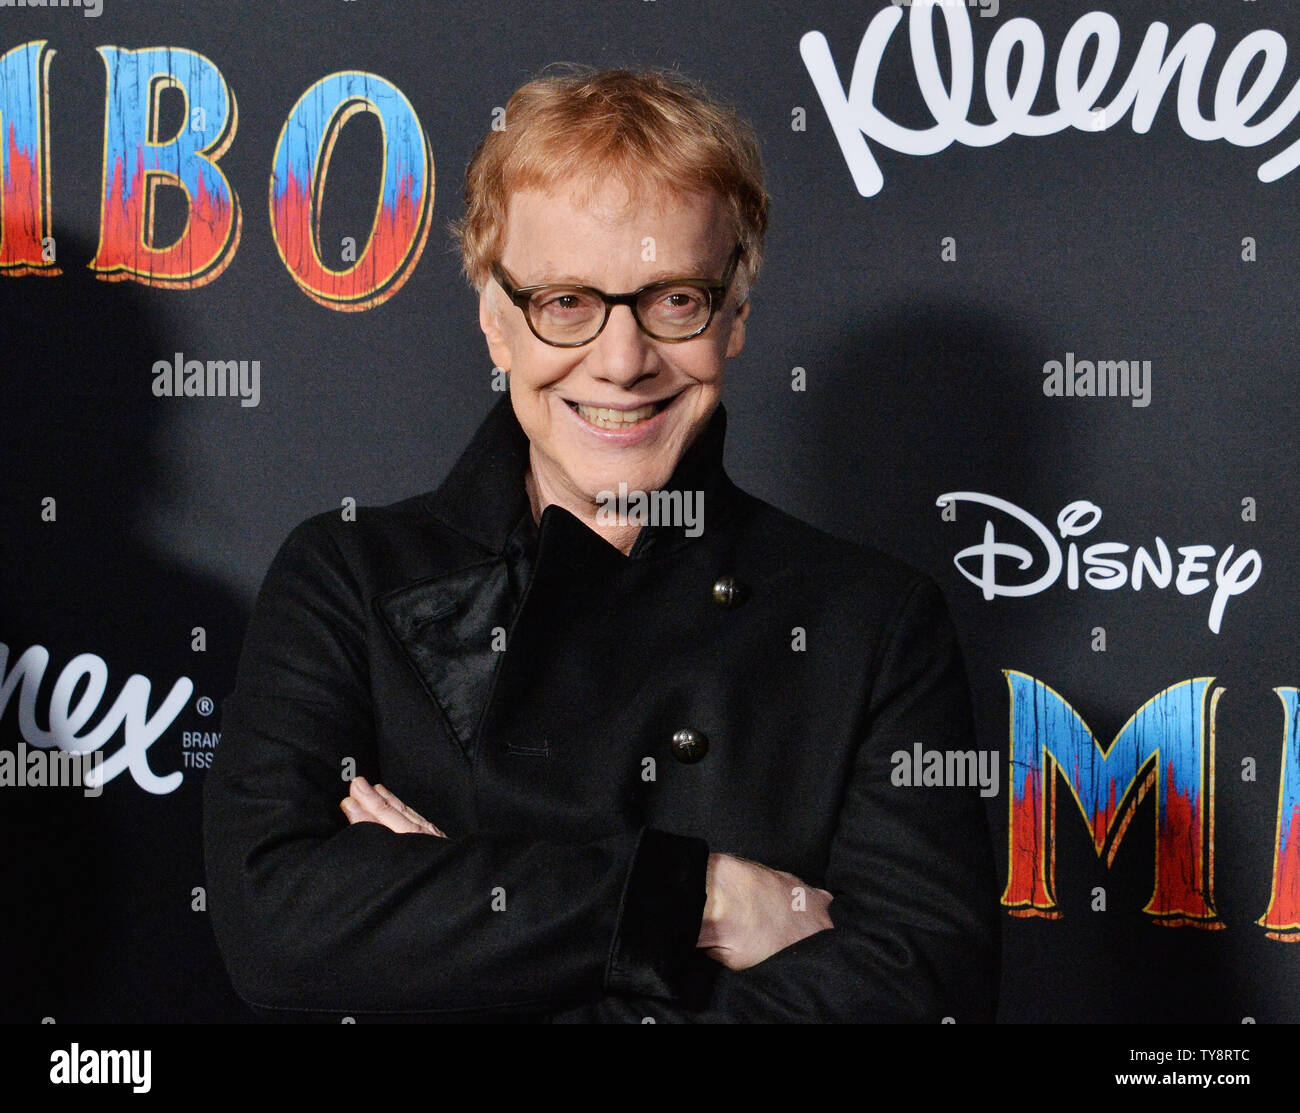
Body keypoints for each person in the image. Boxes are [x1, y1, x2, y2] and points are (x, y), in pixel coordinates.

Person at [202, 64, 999, 1022]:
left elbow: (921, 993)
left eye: (675, 301)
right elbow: (277, 927)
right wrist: (697, 896)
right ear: (496, 322)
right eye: (567, 303)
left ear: (735, 317)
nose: (622, 362)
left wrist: (450, 915)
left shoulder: (873, 623)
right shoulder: (346, 577)